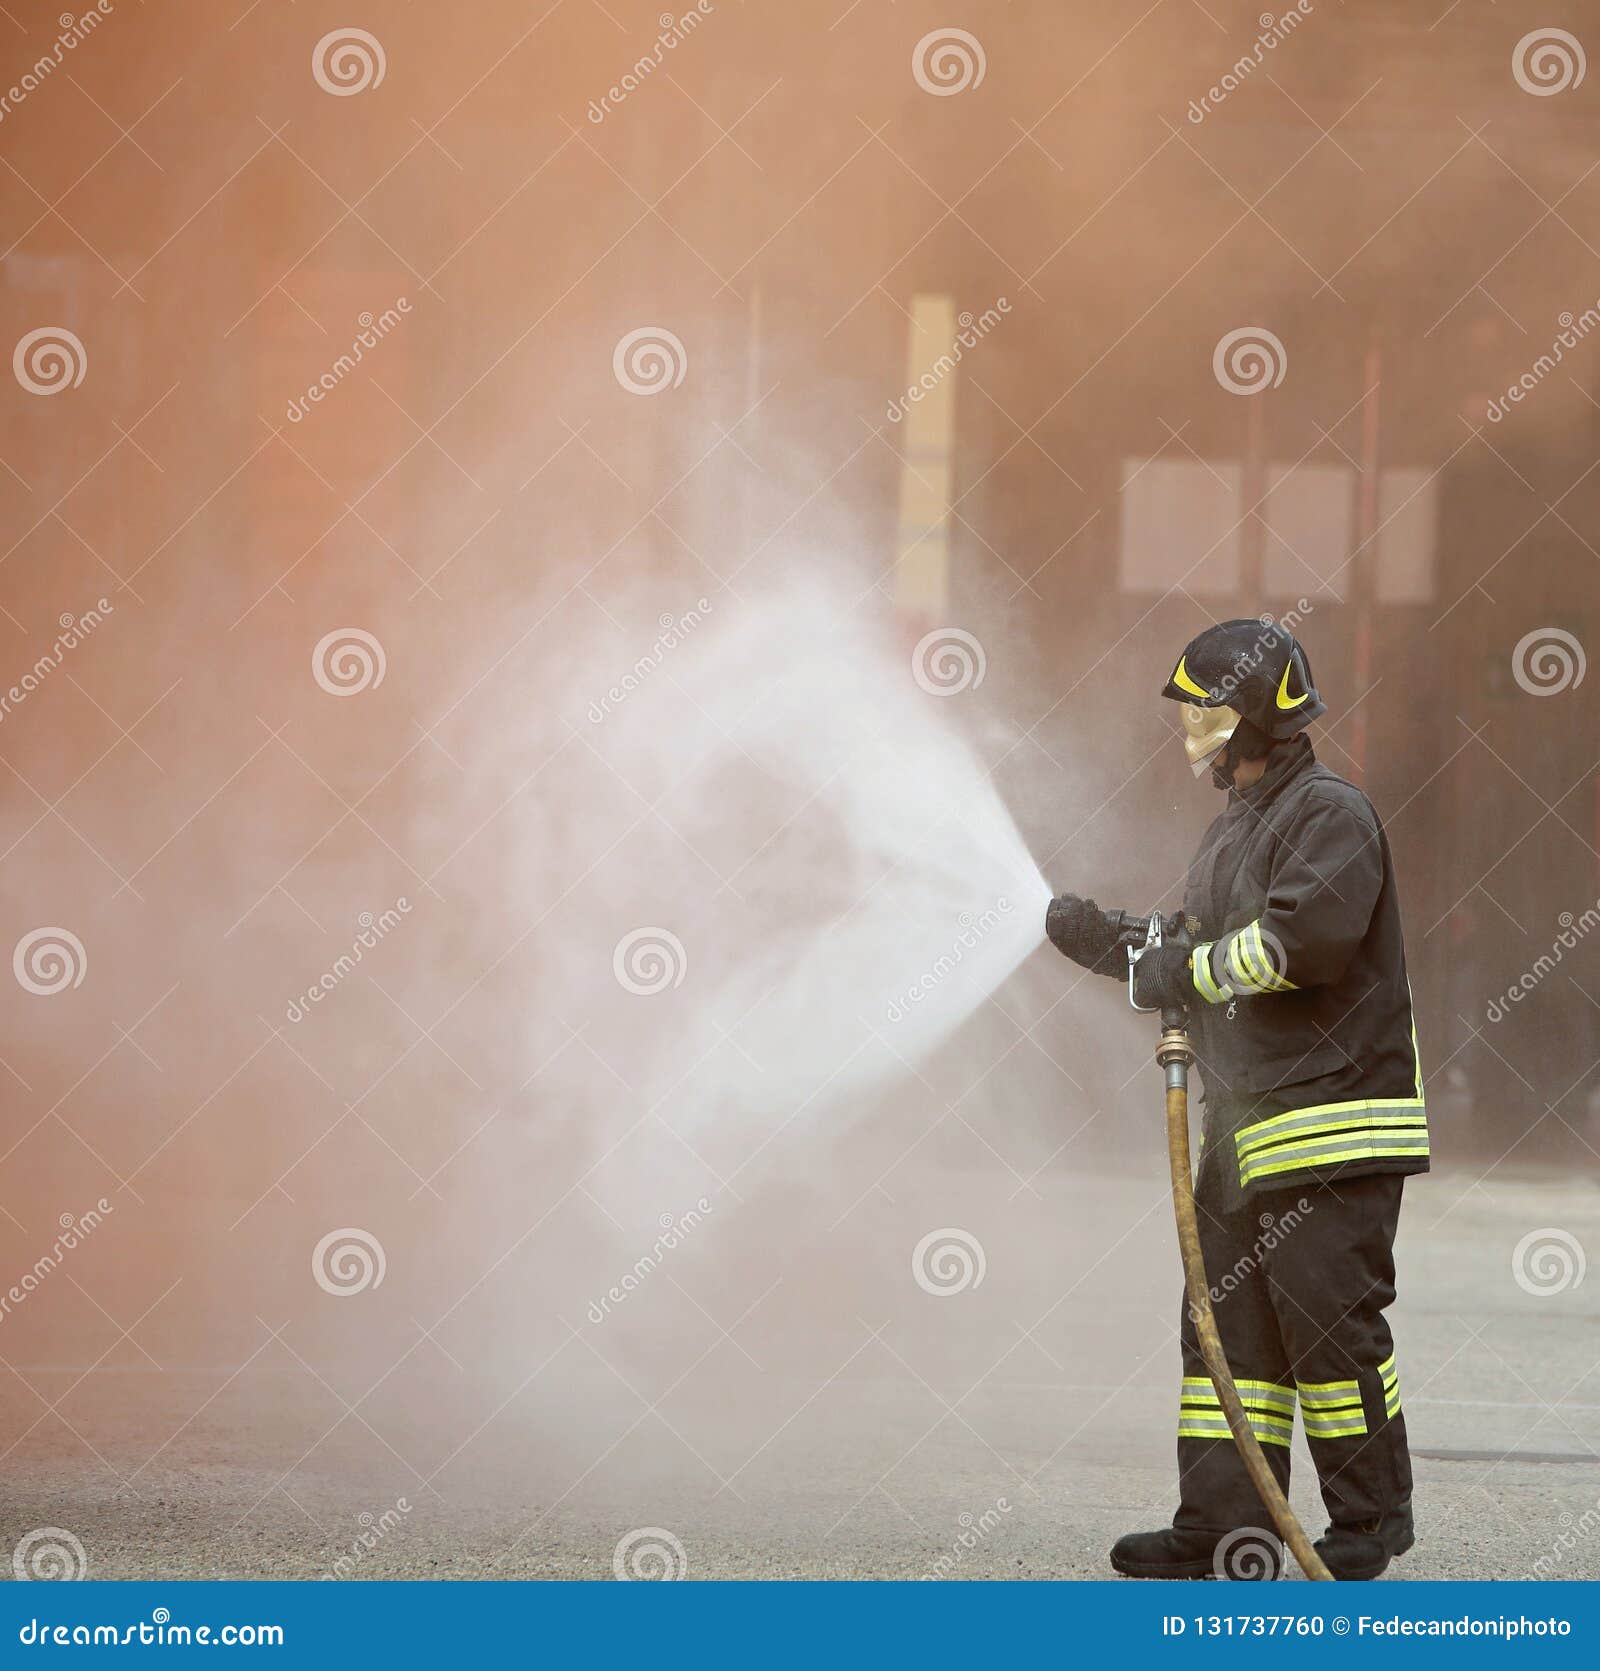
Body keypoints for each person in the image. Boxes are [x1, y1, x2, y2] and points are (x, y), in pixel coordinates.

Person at [1046, 620, 1426, 1582]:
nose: (1196, 730)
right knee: (1228, 1336)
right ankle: (1222, 1526)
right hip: (1246, 1129)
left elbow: (1298, 948)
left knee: (1328, 1328)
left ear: (1260, 713)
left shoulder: (1329, 815)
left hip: (1328, 1124)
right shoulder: (1238, 828)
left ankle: (1367, 1524)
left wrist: (1183, 964)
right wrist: (1115, 944)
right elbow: (1195, 947)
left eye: (1210, 710)